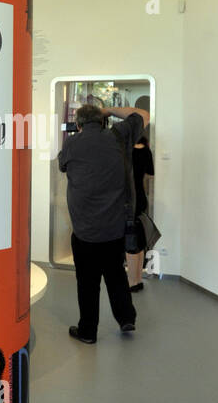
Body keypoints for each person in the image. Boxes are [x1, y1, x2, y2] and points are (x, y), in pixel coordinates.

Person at [57, 101, 150, 343]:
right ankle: (126, 317)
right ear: (103, 121)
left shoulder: (72, 143)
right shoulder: (119, 135)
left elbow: (62, 165)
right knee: (116, 274)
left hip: (85, 230)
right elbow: (143, 114)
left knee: (87, 283)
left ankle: (88, 331)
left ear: (78, 124)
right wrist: (109, 110)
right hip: (114, 227)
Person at [127, 100, 155, 292]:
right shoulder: (146, 151)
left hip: (127, 198)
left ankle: (131, 282)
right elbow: (149, 175)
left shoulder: (124, 150)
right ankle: (138, 279)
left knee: (130, 239)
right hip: (141, 197)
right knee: (139, 236)